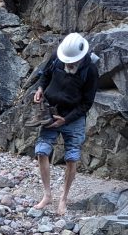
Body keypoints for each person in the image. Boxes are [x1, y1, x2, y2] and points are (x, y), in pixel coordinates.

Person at [31, 32, 98, 216]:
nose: (68, 64)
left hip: (73, 118)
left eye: (71, 62)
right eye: (66, 62)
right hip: (51, 112)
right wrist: (40, 89)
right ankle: (47, 195)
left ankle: (63, 199)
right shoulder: (56, 57)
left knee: (71, 157)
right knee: (41, 151)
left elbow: (87, 103)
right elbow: (44, 76)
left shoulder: (90, 70)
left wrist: (66, 120)